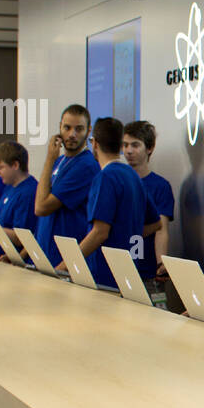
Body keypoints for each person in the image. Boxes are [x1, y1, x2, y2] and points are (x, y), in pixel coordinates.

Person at [55, 117, 157, 288]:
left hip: (105, 275)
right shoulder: (133, 176)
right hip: (129, 271)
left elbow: (100, 232)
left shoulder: (105, 178)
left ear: (94, 143)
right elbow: (154, 223)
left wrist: (63, 267)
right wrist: (127, 237)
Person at [34, 104, 99, 267]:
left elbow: (41, 207)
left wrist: (49, 158)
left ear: (88, 131)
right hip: (47, 255)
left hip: (64, 261)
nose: (72, 134)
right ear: (59, 128)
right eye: (67, 128)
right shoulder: (59, 161)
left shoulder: (86, 166)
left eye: (79, 129)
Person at [123, 121, 175, 284]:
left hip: (147, 272)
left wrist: (161, 262)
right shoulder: (118, 182)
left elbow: (161, 229)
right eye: (125, 145)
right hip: (119, 268)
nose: (129, 151)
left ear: (149, 148)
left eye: (135, 145)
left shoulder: (160, 186)